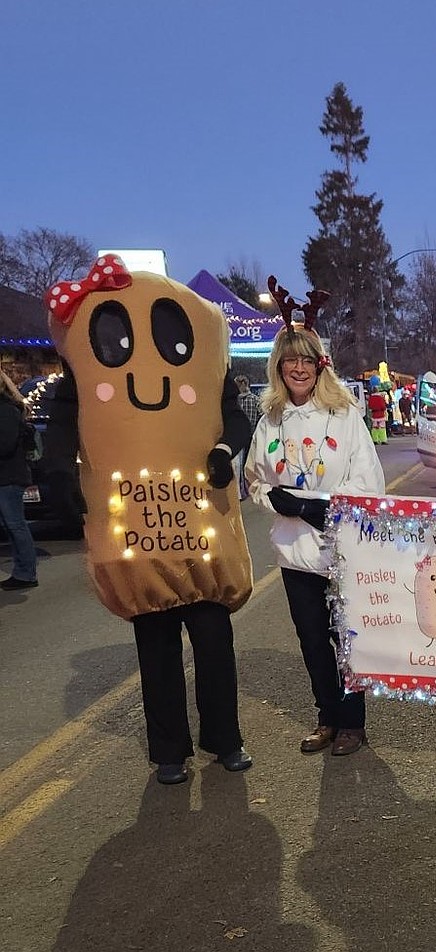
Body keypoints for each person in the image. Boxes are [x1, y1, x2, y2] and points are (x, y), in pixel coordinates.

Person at [42, 257, 254, 785]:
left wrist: (224, 449)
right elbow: (65, 420)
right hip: (136, 533)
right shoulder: (78, 372)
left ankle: (225, 739)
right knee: (157, 651)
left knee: (214, 644)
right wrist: (58, 471)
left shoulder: (210, 360)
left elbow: (234, 416)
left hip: (200, 527)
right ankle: (169, 751)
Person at [245, 285, 384, 757]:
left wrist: (321, 507)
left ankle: (352, 723)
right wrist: (279, 502)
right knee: (311, 640)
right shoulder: (271, 419)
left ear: (320, 364)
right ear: (279, 367)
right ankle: (327, 716)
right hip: (294, 552)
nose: (299, 368)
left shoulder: (344, 415)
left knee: (346, 638)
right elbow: (256, 479)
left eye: (307, 360)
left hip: (340, 548)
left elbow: (368, 480)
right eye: (290, 361)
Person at [0, 371, 38, 591]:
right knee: (12, 525)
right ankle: (22, 571)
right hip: (7, 476)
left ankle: (26, 573)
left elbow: (5, 444)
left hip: (9, 477)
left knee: (16, 525)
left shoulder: (6, 409)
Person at [234, 375, 262, 499]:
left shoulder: (236, 401)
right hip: (248, 435)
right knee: (246, 463)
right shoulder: (254, 399)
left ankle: (244, 487)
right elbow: (261, 416)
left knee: (243, 464)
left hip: (242, 436)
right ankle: (245, 487)